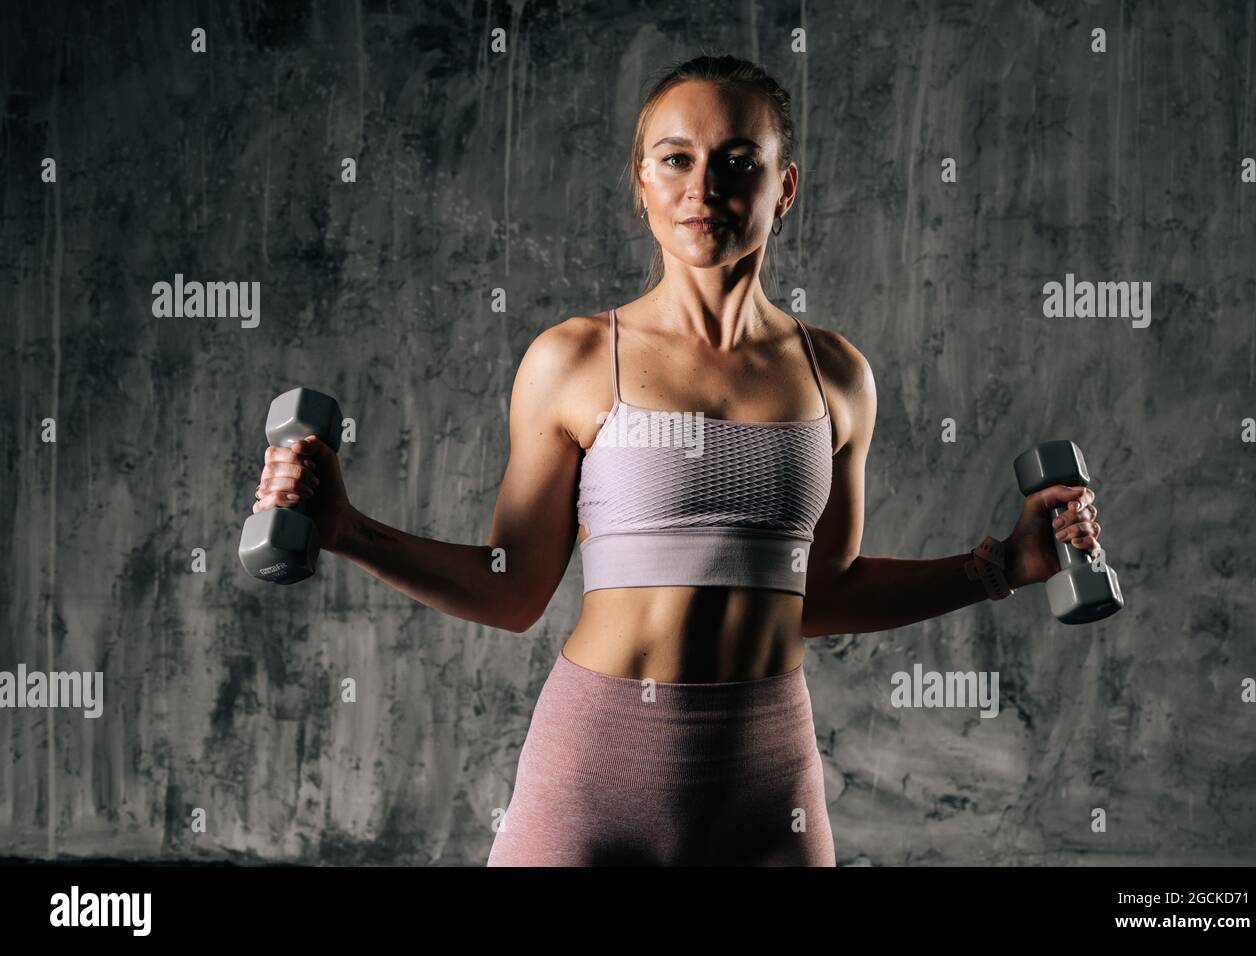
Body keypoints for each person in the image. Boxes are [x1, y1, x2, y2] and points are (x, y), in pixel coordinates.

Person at [250, 55, 1103, 866]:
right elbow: (511, 589)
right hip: (596, 772)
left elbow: (825, 593)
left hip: (769, 781)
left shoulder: (838, 374)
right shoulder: (574, 359)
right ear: (642, 185)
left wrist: (1001, 567)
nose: (704, 188)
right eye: (676, 159)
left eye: (738, 161)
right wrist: (346, 530)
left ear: (785, 187)